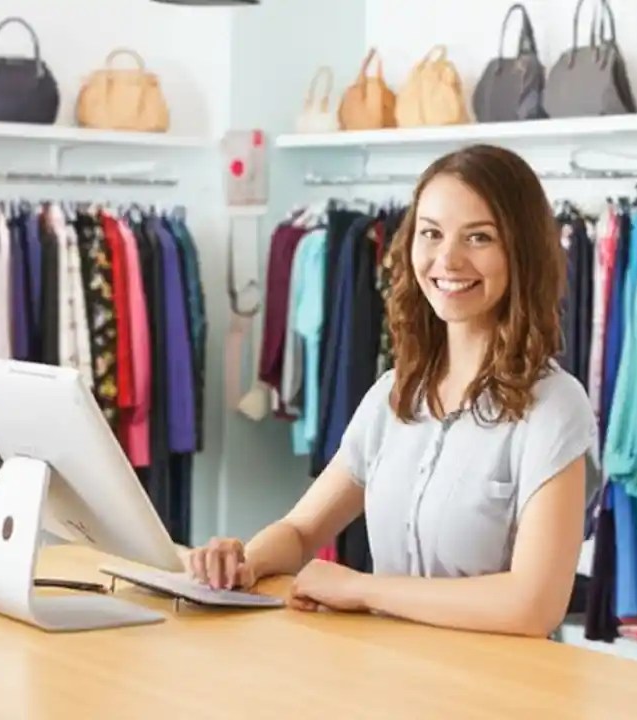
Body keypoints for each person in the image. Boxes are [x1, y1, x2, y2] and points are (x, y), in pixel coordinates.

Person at [188, 144, 595, 638]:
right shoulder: (394, 396)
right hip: (390, 677)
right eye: (431, 233)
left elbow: (533, 606)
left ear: (521, 252)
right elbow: (299, 532)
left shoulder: (554, 407)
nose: (448, 259)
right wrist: (243, 563)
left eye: (480, 237)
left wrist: (363, 590)